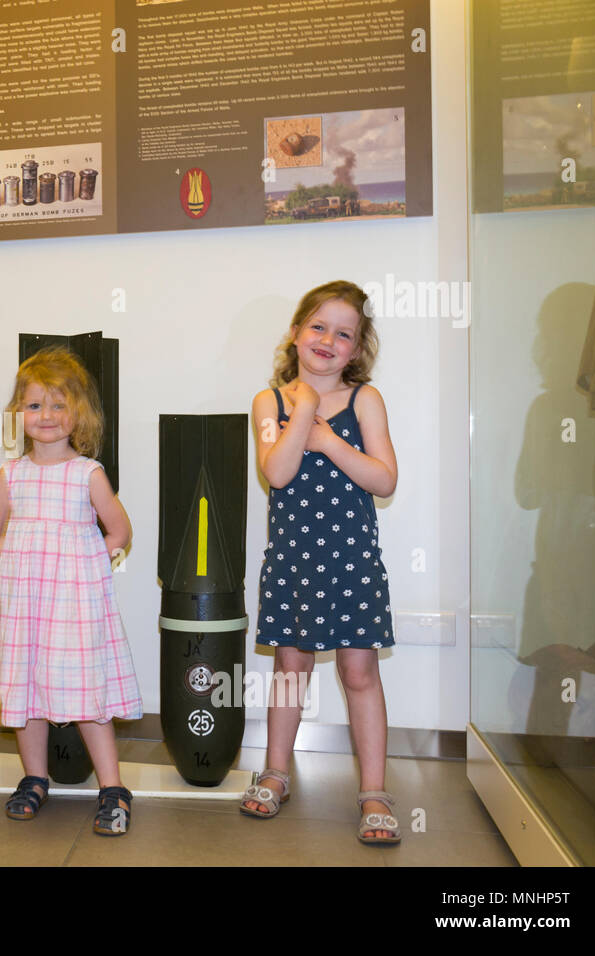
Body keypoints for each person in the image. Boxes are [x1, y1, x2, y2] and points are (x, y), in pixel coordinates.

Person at [240, 280, 401, 844]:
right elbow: (278, 472)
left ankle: (375, 791)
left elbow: (384, 478)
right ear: (295, 332)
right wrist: (303, 408)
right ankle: (276, 770)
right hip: (294, 562)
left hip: (352, 561)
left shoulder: (366, 400)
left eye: (344, 333)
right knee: (290, 671)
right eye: (318, 326)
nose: (328, 340)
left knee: (359, 673)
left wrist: (331, 442)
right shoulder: (272, 403)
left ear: (356, 350)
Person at [0, 346, 142, 836]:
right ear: (17, 414)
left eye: (57, 405)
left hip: (75, 604)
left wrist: (90, 564)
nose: (46, 416)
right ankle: (34, 778)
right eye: (34, 405)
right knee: (26, 690)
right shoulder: (12, 475)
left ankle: (112, 787)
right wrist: (23, 561)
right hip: (26, 602)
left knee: (85, 689)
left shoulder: (87, 473)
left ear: (80, 414)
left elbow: (119, 530)